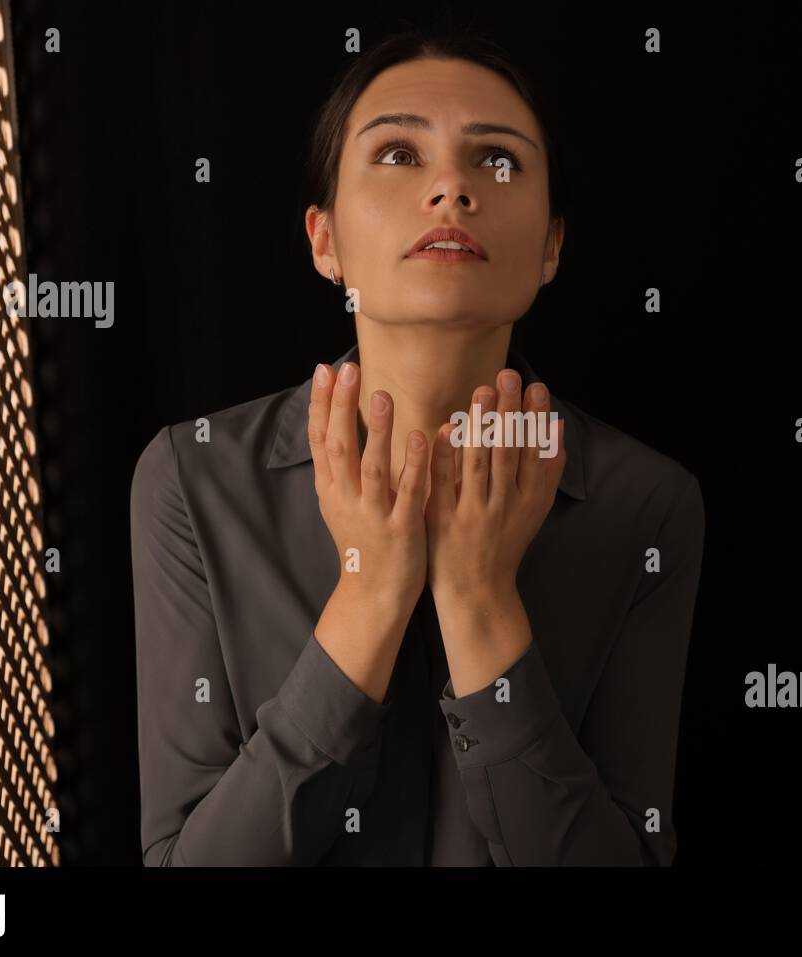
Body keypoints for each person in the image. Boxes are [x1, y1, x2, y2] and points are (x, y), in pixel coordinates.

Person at [131, 28, 705, 866]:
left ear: (551, 246)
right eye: (399, 153)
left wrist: (479, 599)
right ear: (324, 240)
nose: (450, 189)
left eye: (498, 161)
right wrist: (368, 596)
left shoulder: (645, 504)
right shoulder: (194, 478)